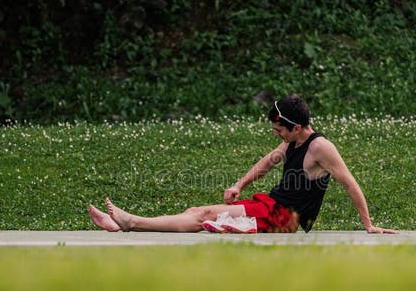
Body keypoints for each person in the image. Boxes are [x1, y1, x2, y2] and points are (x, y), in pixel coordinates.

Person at [89, 94, 397, 235]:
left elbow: (349, 182)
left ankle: (131, 223)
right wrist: (239, 184)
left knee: (202, 215)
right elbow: (268, 161)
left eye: (279, 130)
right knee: (195, 213)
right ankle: (123, 224)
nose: (276, 135)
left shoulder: (320, 147)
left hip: (285, 219)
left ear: (297, 126)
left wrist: (368, 225)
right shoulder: (294, 141)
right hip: (273, 207)